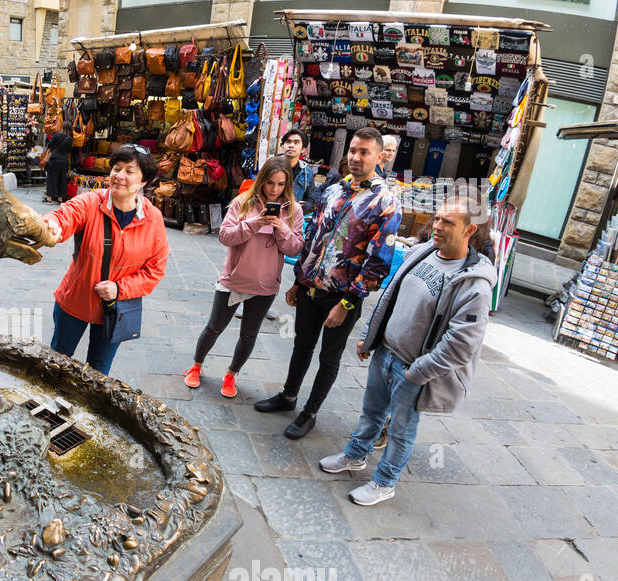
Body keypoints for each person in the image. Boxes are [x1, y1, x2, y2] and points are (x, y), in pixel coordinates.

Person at [318, 196, 497, 505]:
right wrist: (370, 336)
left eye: (447, 222)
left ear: (469, 230)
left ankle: (385, 482)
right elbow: (390, 297)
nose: (436, 226)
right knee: (372, 413)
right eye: (437, 218)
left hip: (413, 371)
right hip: (386, 353)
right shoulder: (422, 252)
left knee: (400, 430)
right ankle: (355, 455)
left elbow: (461, 345)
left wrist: (418, 372)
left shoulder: (475, 286)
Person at [255, 126, 400, 439]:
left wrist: (348, 303)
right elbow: (313, 238)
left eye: (364, 152)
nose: (356, 157)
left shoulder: (384, 203)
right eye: (353, 151)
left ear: (378, 157)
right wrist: (299, 281)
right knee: (301, 346)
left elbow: (378, 263)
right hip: (310, 288)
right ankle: (289, 396)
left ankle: (310, 412)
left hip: (342, 297)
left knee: (328, 357)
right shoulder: (333, 188)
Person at [39, 144, 168, 375]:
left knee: (98, 373)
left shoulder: (153, 219)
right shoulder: (91, 202)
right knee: (56, 362)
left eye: (129, 171)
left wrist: (120, 288)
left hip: (115, 307)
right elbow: (66, 214)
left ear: (144, 181)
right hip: (75, 300)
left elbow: (155, 269)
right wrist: (51, 224)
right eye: (116, 168)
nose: (119, 176)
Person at [184, 157, 304, 397]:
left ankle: (231, 374)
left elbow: (295, 248)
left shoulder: (293, 210)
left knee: (249, 333)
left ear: (287, 185)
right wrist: (253, 223)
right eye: (270, 183)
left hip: (265, 284)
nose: (274, 189)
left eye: (280, 184)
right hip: (234, 279)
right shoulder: (243, 202)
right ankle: (196, 365)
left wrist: (281, 228)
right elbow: (225, 236)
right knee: (214, 327)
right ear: (261, 181)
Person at [280, 129, 321, 208]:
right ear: (283, 145)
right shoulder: (271, 166)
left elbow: (310, 198)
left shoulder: (307, 172)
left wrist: (302, 207)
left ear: (303, 149)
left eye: (296, 142)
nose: (291, 145)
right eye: (288, 142)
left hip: (293, 216)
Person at [43, 125, 72, 203]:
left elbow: (49, 145)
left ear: (62, 127)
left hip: (54, 159)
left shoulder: (57, 135)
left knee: (51, 178)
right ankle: (60, 198)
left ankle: (49, 198)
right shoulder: (69, 138)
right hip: (64, 161)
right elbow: (69, 150)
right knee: (62, 179)